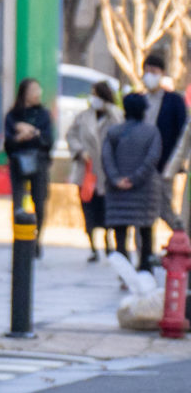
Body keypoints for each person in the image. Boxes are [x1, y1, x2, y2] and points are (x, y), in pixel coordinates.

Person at [102, 91, 165, 273]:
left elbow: (106, 158)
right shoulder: (152, 132)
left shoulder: (113, 132)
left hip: (117, 190)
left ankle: (124, 272)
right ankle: (145, 268)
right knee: (145, 231)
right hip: (144, 189)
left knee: (120, 232)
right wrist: (136, 178)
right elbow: (152, 158)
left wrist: (116, 179)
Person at [67, 79, 121, 261]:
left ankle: (108, 243)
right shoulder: (83, 116)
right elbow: (71, 135)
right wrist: (79, 151)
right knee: (87, 209)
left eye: (97, 94)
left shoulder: (116, 115)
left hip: (107, 172)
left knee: (107, 210)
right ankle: (92, 246)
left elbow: (121, 136)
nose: (94, 98)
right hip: (86, 172)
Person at [2, 77, 54, 230]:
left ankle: (37, 239)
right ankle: (19, 236)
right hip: (18, 161)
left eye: (38, 90)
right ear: (23, 93)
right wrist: (19, 137)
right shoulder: (13, 115)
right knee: (18, 202)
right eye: (33, 90)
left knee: (39, 201)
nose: (37, 93)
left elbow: (48, 140)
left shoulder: (43, 114)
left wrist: (31, 131)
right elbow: (8, 143)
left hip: (39, 162)